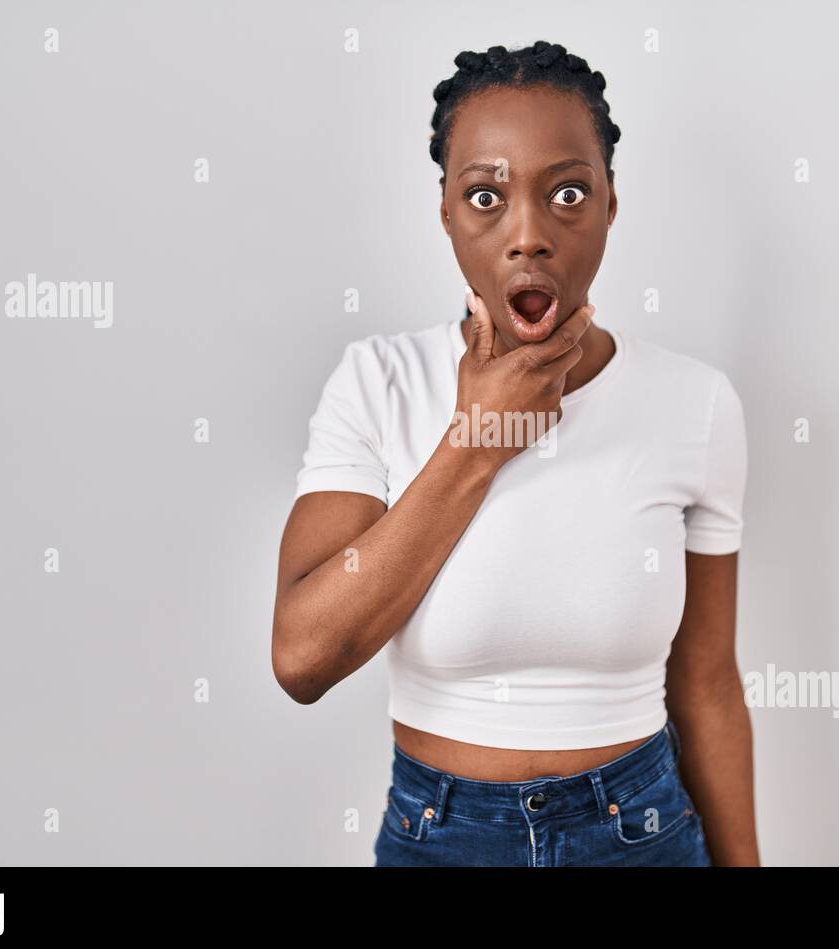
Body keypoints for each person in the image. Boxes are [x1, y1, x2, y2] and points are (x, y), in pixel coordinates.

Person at [272, 40, 757, 866]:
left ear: (609, 204)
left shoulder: (696, 402)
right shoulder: (380, 382)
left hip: (642, 833)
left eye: (567, 192)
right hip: (440, 839)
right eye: (486, 196)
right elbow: (302, 658)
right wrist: (477, 440)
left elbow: (706, 681)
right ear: (446, 212)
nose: (527, 235)